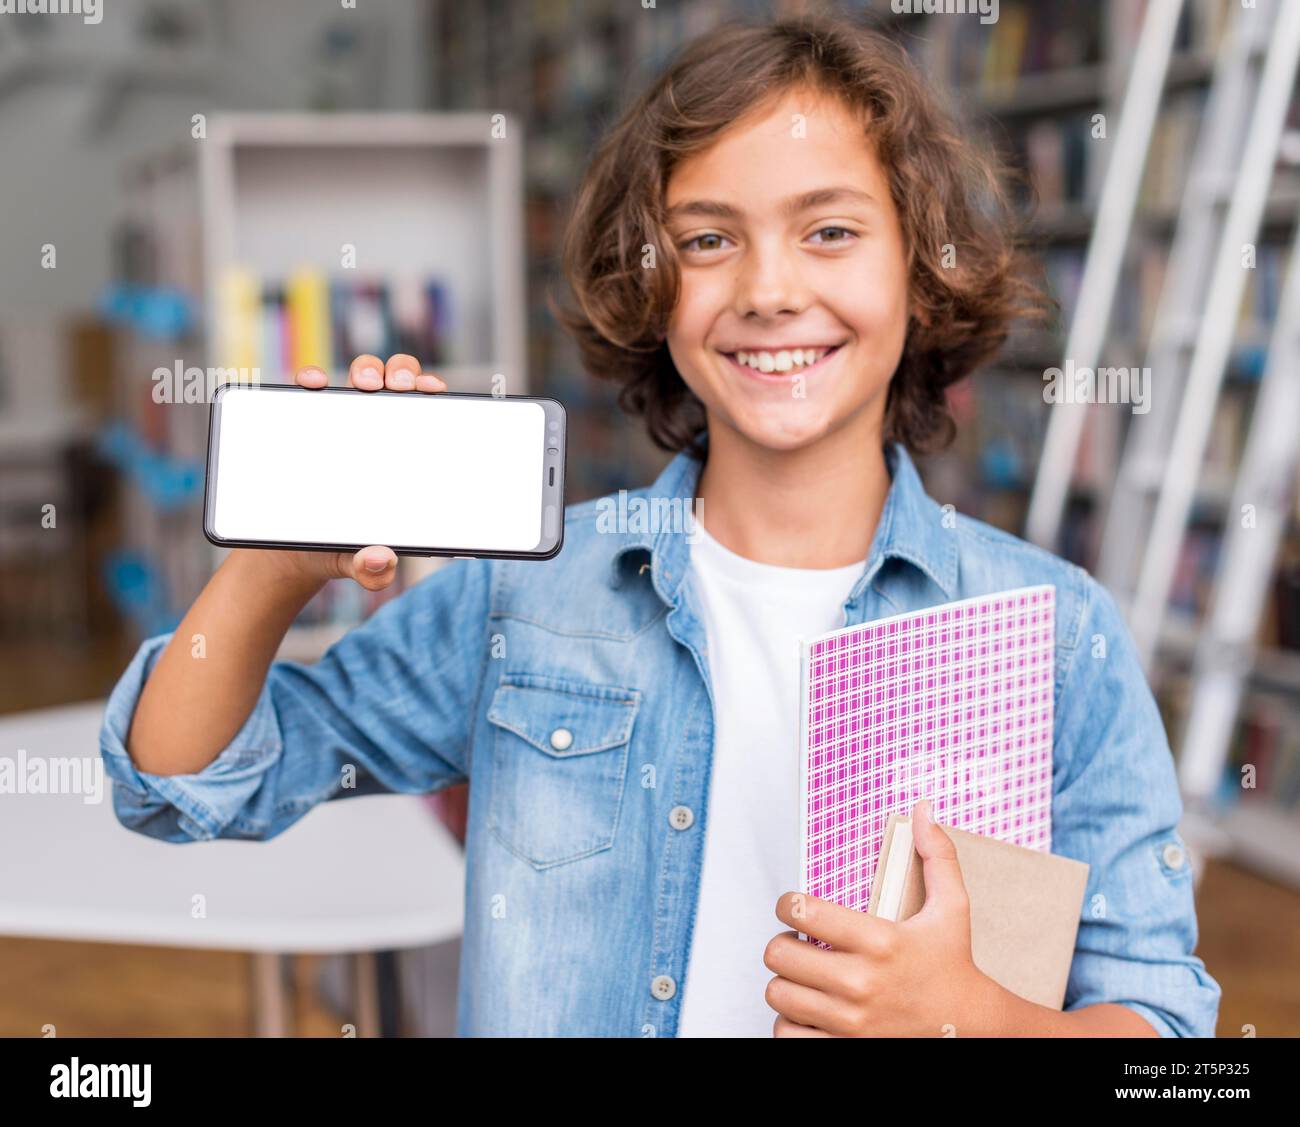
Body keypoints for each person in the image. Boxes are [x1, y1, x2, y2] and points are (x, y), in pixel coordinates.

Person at [100, 14, 1221, 1037]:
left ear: (921, 270)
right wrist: (272, 571)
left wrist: (973, 1018)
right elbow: (186, 784)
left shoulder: (1052, 631)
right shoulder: (526, 597)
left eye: (829, 231)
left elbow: (1168, 1041)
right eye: (706, 240)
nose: (769, 289)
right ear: (650, 284)